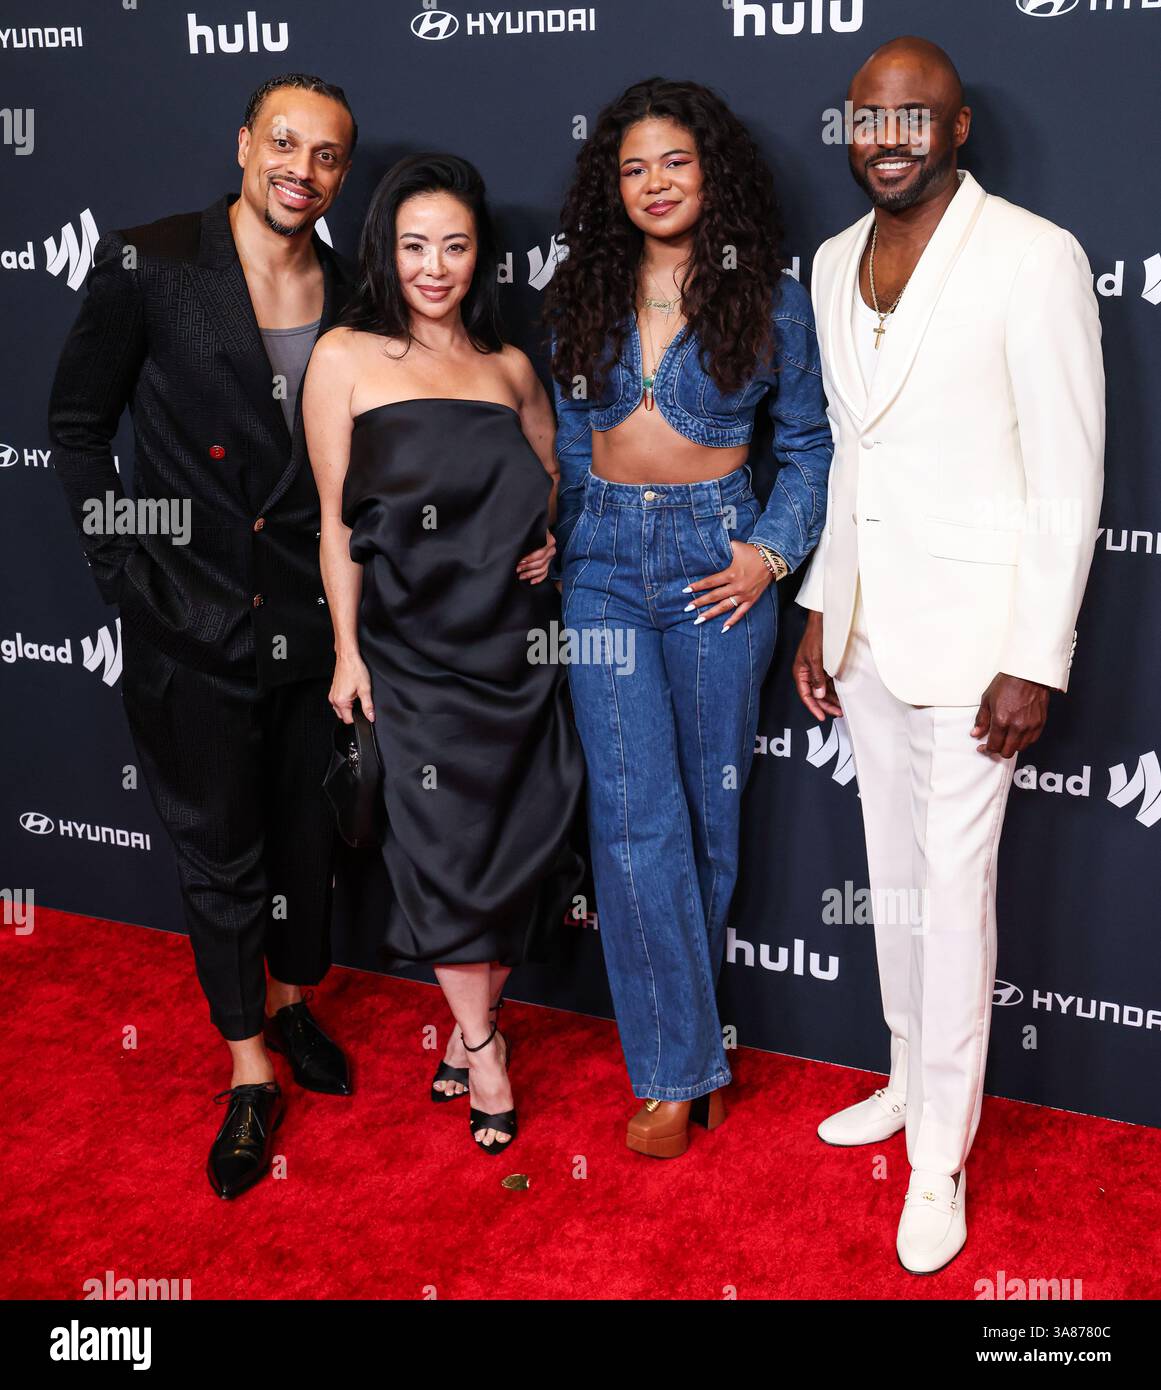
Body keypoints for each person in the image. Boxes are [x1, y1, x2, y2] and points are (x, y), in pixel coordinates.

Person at [792, 36, 1104, 1272]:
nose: (888, 137)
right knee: (893, 876)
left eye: (915, 117)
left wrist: (1036, 652)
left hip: (981, 650)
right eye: (869, 117)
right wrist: (825, 605)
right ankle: (907, 1079)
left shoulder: (1034, 257)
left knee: (955, 898)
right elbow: (852, 460)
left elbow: (1070, 474)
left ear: (957, 129)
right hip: (866, 628)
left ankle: (940, 1158)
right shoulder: (827, 264)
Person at [47, 73, 360, 1200]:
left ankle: (292, 1004)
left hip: (309, 624)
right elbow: (77, 430)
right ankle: (247, 1069)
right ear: (243, 145)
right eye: (284, 143)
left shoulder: (351, 283)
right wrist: (128, 573)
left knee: (301, 840)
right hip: (188, 623)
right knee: (220, 852)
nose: (302, 169)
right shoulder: (152, 260)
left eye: (326, 155)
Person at [547, 78, 833, 1159]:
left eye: (674, 161)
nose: (655, 183)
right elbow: (577, 443)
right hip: (609, 567)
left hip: (721, 564)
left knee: (710, 821)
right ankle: (676, 1070)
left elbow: (806, 447)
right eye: (632, 167)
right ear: (610, 185)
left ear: (711, 170)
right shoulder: (584, 289)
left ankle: (691, 1048)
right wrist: (576, 543)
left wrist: (769, 553)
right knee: (631, 821)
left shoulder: (771, 297)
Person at [303, 152, 586, 1155]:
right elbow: (336, 525)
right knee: (447, 852)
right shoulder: (344, 356)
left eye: (454, 246)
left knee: (519, 843)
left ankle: (473, 1032)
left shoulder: (509, 368)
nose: (434, 266)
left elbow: (551, 474)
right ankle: (483, 1045)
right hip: (413, 656)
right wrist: (346, 652)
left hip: (516, 649)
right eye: (414, 245)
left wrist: (544, 538)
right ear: (386, 250)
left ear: (480, 257)